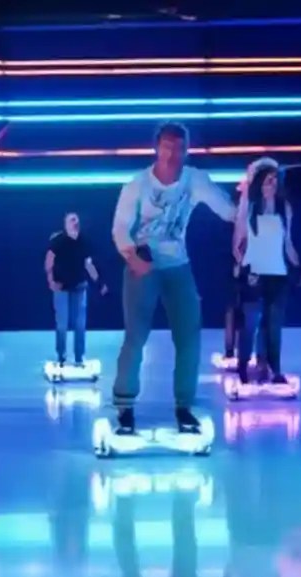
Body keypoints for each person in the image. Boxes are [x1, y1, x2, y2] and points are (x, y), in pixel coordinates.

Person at [111, 122, 237, 434]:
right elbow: (119, 229)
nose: (173, 154)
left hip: (178, 264)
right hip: (143, 263)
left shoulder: (194, 179)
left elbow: (228, 211)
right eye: (167, 147)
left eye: (179, 147)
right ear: (157, 148)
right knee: (135, 337)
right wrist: (132, 258)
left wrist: (247, 198)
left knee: (189, 336)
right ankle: (125, 407)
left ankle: (184, 407)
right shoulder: (137, 185)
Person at [232, 160, 301, 385]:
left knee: (274, 326)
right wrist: (241, 264)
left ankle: (275, 369)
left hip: (278, 274)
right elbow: (239, 239)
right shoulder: (249, 205)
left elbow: (288, 243)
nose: (271, 184)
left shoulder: (285, 208)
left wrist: (300, 267)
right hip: (254, 272)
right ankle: (243, 366)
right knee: (250, 324)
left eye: (275, 180)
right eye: (268, 179)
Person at [44, 212, 107, 367]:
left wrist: (99, 282)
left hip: (79, 287)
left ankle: (79, 357)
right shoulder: (58, 241)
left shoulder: (84, 241)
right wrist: (50, 280)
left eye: (76, 220)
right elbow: (49, 261)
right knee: (62, 324)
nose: (75, 222)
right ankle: (61, 357)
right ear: (65, 224)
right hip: (61, 288)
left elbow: (88, 264)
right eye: (71, 220)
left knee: (80, 324)